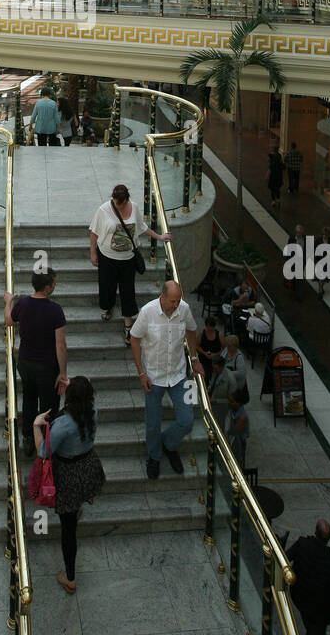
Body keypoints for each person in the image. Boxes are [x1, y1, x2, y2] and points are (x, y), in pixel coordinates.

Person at [33, 376, 105, 595]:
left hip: (67, 474)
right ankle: (76, 510)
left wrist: (37, 426)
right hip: (87, 466)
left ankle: (70, 578)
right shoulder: (93, 411)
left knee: (68, 530)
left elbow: (44, 452)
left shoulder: (63, 424)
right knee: (77, 504)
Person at [130, 280, 203, 479]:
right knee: (152, 422)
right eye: (172, 301)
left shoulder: (184, 309)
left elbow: (191, 330)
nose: (176, 305)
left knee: (187, 420)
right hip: (153, 376)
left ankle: (168, 444)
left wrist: (194, 359)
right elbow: (134, 339)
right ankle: (154, 456)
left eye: (178, 300)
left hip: (179, 374)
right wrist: (141, 373)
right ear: (162, 297)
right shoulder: (147, 312)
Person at [90, 183, 172, 346]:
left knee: (128, 290)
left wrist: (159, 237)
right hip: (107, 257)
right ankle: (108, 306)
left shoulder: (133, 207)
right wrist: (93, 253)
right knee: (107, 285)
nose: (119, 207)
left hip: (128, 259)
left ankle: (128, 326)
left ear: (127, 199)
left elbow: (142, 227)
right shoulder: (103, 210)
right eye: (117, 203)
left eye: (122, 203)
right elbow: (94, 232)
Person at [4, 269, 67, 457]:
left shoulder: (22, 304)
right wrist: (62, 373)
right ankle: (47, 441)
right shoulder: (55, 310)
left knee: (29, 399)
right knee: (49, 406)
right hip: (47, 367)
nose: (55, 285)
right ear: (47, 287)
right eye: (53, 283)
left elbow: (8, 321)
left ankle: (28, 438)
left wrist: (8, 302)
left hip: (25, 363)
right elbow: (60, 344)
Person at [287, 519, 330, 635]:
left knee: (312, 628)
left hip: (300, 597)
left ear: (315, 532)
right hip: (319, 609)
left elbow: (285, 558)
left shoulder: (302, 544)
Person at [225, 390, 249, 469]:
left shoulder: (242, 417)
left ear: (238, 403)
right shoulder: (233, 410)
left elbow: (235, 433)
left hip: (238, 443)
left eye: (231, 401)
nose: (228, 402)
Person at [196, 314, 223, 384]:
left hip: (215, 361)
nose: (210, 329)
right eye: (208, 327)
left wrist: (215, 354)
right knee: (205, 376)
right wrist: (204, 353)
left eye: (211, 327)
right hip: (204, 360)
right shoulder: (202, 334)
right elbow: (196, 346)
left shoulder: (219, 335)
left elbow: (224, 349)